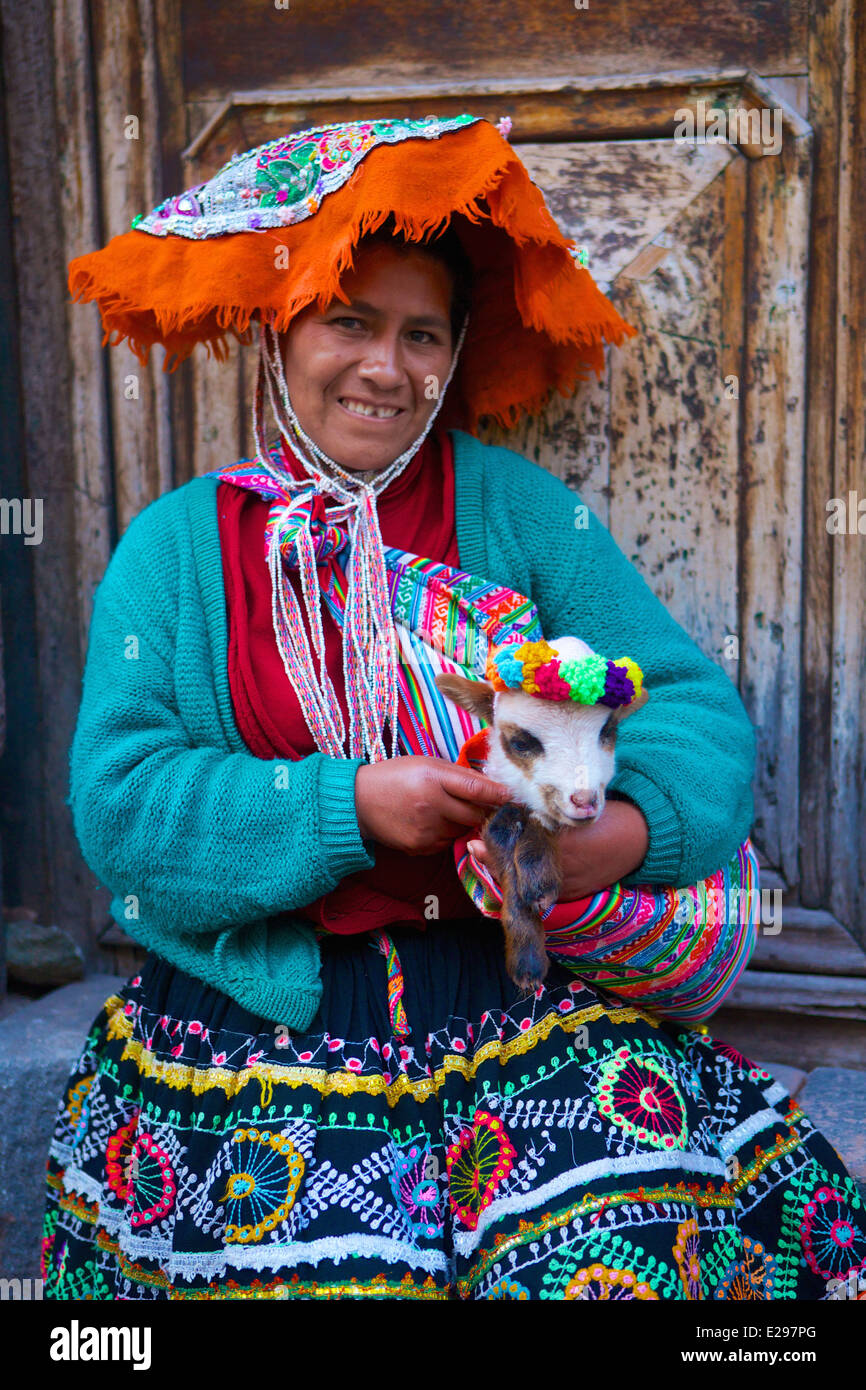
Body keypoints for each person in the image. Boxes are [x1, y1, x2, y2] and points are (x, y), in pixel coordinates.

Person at [42, 114, 865, 1300]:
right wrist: (352, 808)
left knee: (613, 1270)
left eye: (420, 334)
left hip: (515, 1002)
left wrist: (604, 842)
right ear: (279, 329)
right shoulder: (177, 549)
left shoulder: (515, 512)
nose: (385, 366)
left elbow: (691, 710)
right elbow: (120, 808)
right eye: (348, 320)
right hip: (258, 1023)